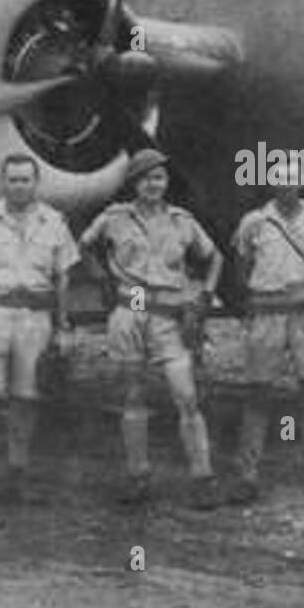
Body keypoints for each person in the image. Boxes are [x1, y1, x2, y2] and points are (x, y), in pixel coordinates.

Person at [79, 149, 222, 508]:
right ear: (133, 184)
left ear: (166, 181)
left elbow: (214, 256)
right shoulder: (114, 218)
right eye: (145, 178)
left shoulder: (182, 221)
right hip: (130, 309)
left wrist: (205, 295)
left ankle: (203, 477)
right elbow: (84, 245)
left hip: (168, 315)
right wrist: (100, 277)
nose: (152, 184)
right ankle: (138, 476)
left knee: (186, 396)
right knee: (133, 396)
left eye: (158, 177)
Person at [0, 153, 78, 505]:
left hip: (35, 319)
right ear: (2, 182)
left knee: (25, 400)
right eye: (13, 179)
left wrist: (63, 326)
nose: (19, 185)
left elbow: (63, 278)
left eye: (26, 179)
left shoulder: (54, 222)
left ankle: (16, 474)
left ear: (35, 183)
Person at [229, 158, 304, 504]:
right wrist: (262, 296)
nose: (287, 185)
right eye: (280, 179)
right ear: (271, 184)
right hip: (267, 311)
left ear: (303, 183)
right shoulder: (254, 222)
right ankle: (247, 477)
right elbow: (242, 266)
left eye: (293, 179)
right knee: (258, 393)